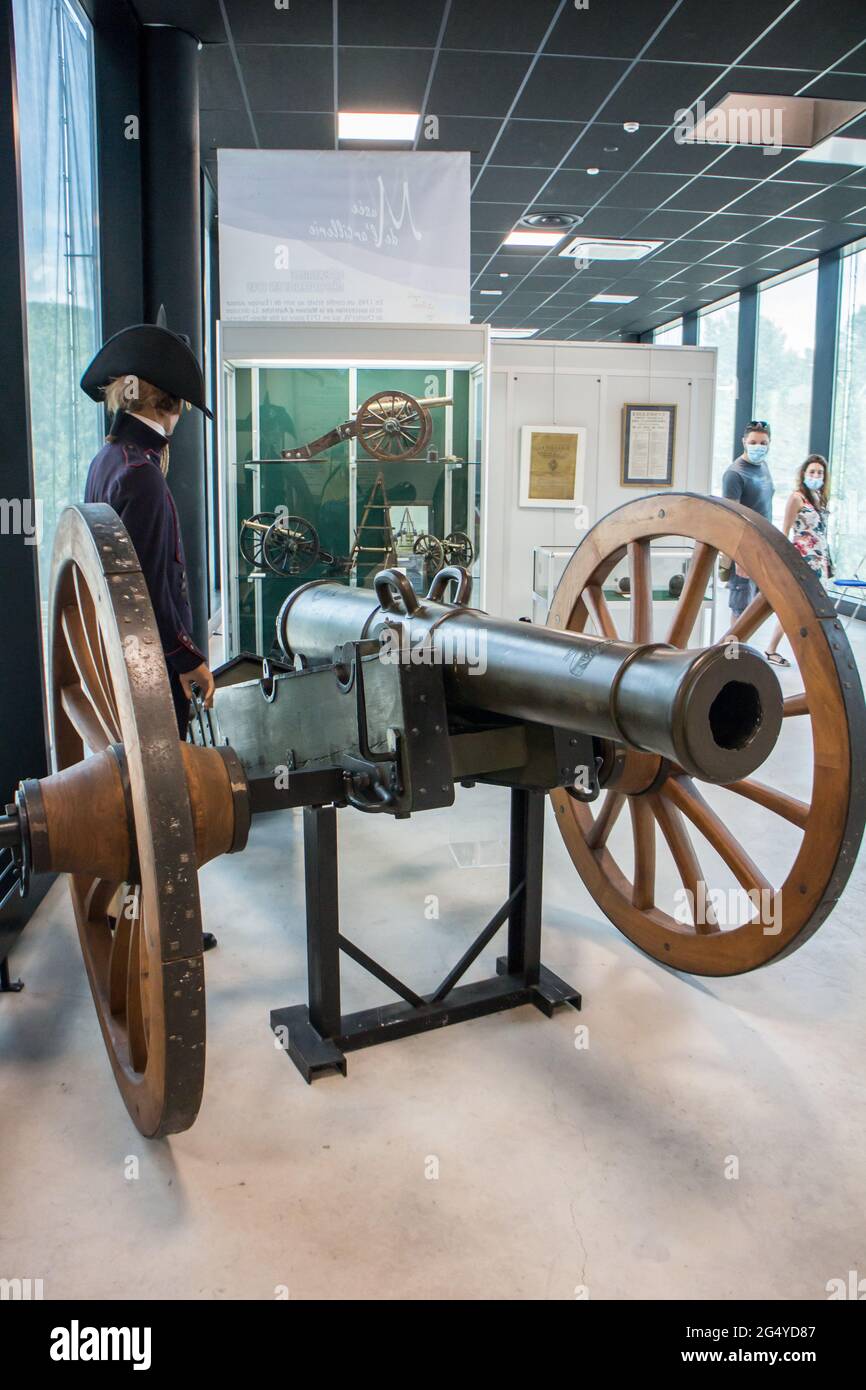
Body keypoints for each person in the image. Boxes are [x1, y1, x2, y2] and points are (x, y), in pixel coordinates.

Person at [80, 314, 215, 738]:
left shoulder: (107, 460)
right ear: (171, 405)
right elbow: (152, 587)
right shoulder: (141, 474)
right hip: (150, 667)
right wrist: (186, 659)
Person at [764, 455, 833, 667]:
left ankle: (809, 652)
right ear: (803, 474)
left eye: (820, 473)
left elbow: (821, 533)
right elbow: (785, 531)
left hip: (818, 560)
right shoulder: (797, 498)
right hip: (802, 560)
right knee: (796, 607)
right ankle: (772, 649)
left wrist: (827, 563)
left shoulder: (819, 498)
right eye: (812, 472)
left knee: (812, 609)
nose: (816, 476)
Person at [721, 421, 774, 617]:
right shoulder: (734, 474)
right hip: (744, 549)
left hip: (763, 547)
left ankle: (746, 648)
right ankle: (734, 649)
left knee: (756, 607)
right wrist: (739, 558)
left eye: (763, 443)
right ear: (744, 442)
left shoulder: (763, 466)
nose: (758, 447)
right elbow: (731, 519)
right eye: (753, 442)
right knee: (740, 608)